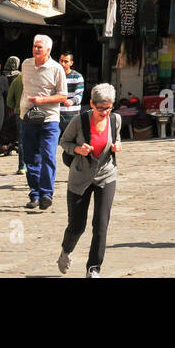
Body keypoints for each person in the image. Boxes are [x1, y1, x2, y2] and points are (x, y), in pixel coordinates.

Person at [57, 84, 122, 278]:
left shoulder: (115, 119)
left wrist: (116, 146)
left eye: (108, 107)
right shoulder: (79, 120)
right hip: (80, 176)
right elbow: (64, 142)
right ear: (92, 104)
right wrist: (78, 149)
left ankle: (94, 268)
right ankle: (66, 251)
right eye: (100, 107)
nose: (104, 112)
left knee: (101, 223)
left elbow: (116, 140)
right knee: (77, 225)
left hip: (106, 175)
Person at [20, 34, 69, 211]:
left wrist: (43, 100)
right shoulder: (26, 64)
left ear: (48, 50)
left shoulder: (56, 69)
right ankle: (35, 194)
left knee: (48, 155)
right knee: (30, 157)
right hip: (28, 117)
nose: (35, 49)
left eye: (39, 47)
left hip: (49, 118)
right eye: (34, 46)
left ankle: (46, 194)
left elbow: (63, 96)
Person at [0, 56, 23, 170]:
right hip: (17, 104)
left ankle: (5, 145)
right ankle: (16, 143)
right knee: (15, 125)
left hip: (5, 103)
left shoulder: (2, 76)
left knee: (5, 123)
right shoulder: (20, 76)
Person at [59, 52, 84, 134]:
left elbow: (79, 95)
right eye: (61, 61)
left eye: (66, 61)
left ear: (71, 63)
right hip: (56, 116)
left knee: (71, 143)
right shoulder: (55, 76)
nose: (63, 63)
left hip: (72, 116)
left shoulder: (77, 77)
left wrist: (71, 101)